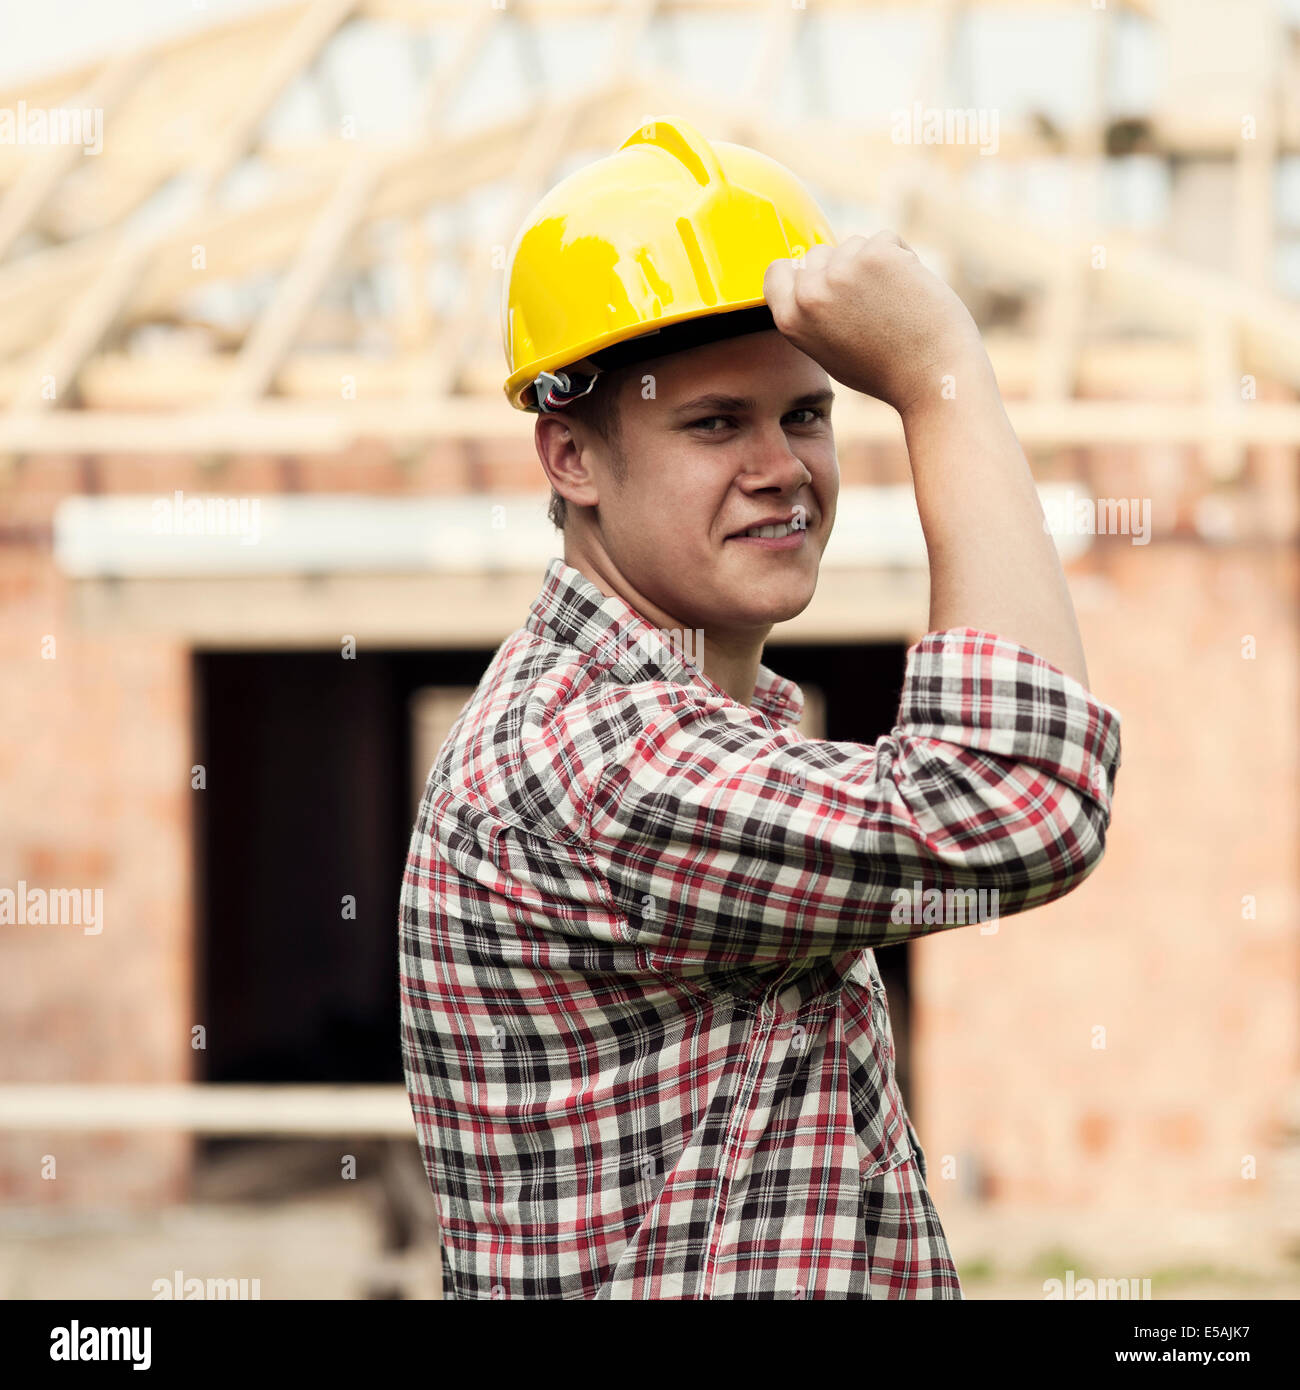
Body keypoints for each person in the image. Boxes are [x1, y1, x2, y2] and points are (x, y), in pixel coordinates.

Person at [399, 116, 1122, 1300]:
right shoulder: (591, 753)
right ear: (570, 455)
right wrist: (941, 375)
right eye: (713, 423)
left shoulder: (694, 726)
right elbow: (1019, 803)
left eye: (805, 414)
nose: (781, 465)